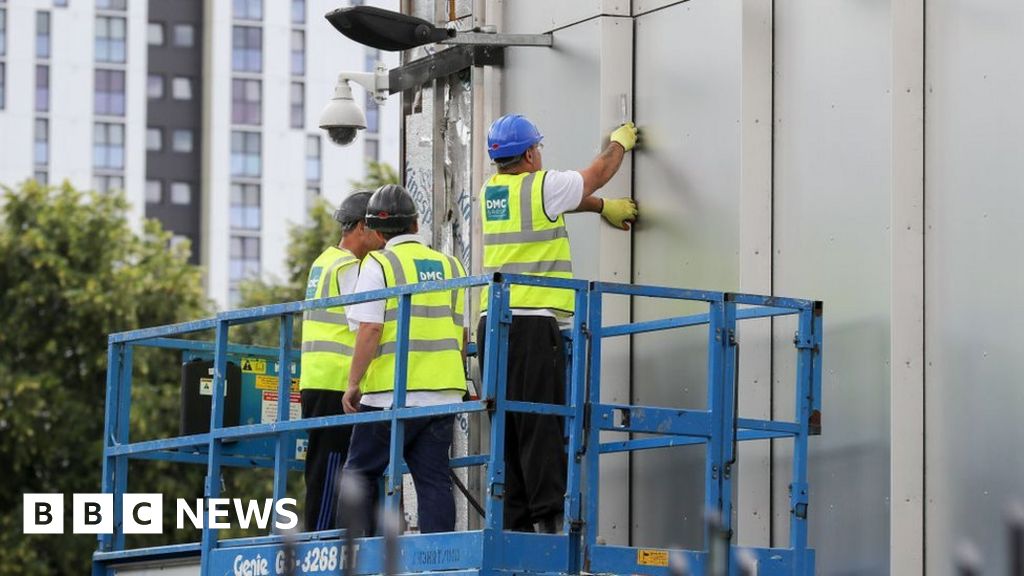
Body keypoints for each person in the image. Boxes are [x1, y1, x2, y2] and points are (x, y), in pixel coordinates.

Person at [476, 114, 639, 533]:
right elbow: (596, 175)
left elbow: (565, 199)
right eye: (539, 148)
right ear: (531, 153)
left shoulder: (491, 191)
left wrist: (602, 208)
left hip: (492, 324)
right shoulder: (542, 184)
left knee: (509, 426)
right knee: (540, 421)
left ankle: (513, 524)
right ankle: (549, 518)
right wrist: (619, 142)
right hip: (532, 323)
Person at [342, 184, 468, 535]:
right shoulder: (451, 265)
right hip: (442, 394)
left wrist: (353, 384)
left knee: (359, 474)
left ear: (377, 232)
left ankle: (362, 559)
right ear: (416, 224)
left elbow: (369, 330)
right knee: (433, 481)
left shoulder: (379, 264)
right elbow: (461, 335)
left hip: (389, 396)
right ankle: (438, 562)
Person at [298, 190, 383, 532]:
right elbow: (362, 322)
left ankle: (324, 538)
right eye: (378, 231)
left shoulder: (324, 261)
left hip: (317, 380)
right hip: (337, 384)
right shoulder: (349, 267)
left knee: (325, 466)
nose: (382, 241)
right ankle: (321, 545)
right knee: (333, 468)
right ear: (362, 227)